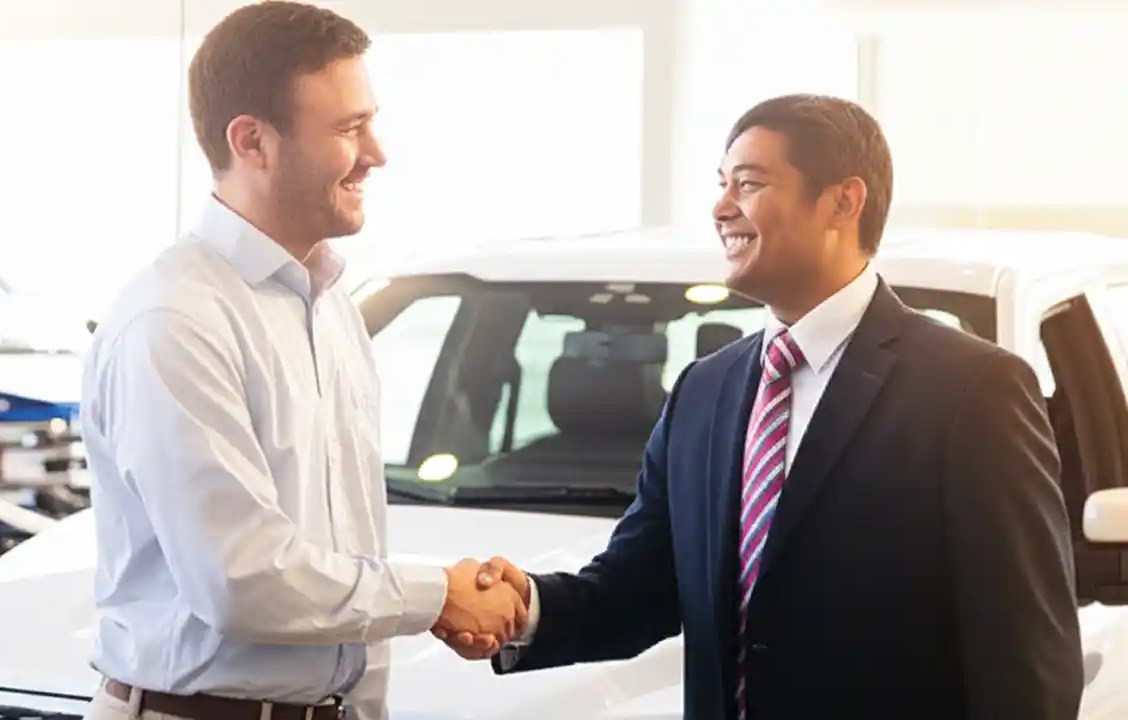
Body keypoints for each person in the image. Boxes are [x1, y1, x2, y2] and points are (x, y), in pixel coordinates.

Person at [441, 94, 1084, 720]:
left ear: (843, 201)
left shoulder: (973, 389)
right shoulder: (704, 391)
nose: (721, 208)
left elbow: (1025, 655)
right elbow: (642, 587)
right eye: (721, 184)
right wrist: (527, 607)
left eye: (747, 184)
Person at [79, 3, 524, 719]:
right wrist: (438, 595)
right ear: (252, 141)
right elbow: (243, 579)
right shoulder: (175, 321)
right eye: (349, 128)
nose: (377, 152)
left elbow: (351, 546)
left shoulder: (330, 305)